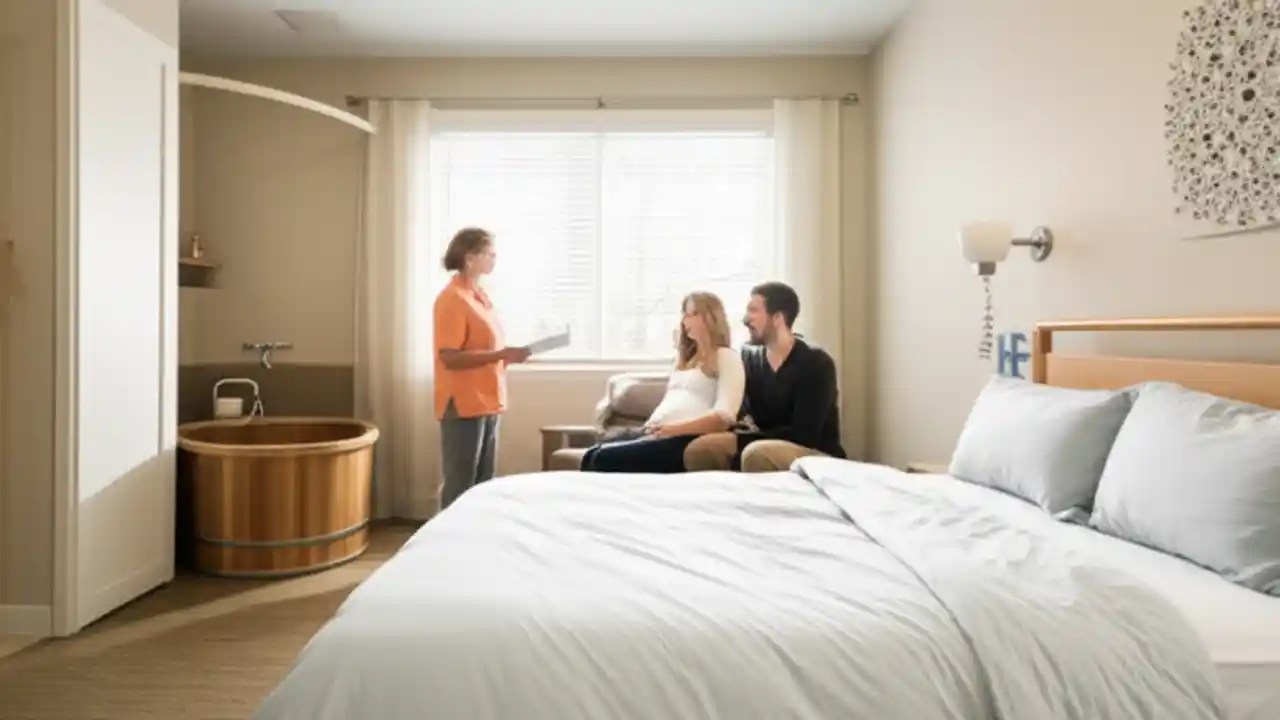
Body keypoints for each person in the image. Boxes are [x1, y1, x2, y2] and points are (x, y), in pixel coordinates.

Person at [683, 281, 845, 473]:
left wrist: (742, 440)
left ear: (777, 318)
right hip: (761, 442)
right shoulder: (749, 358)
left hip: (813, 451)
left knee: (757, 454)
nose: (745, 319)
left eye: (753, 311)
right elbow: (740, 411)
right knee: (700, 449)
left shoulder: (815, 362)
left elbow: (803, 434)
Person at [580, 292, 745, 473]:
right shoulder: (684, 361)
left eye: (692, 314)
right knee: (591, 454)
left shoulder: (727, 357)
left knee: (600, 458)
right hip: (653, 433)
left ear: (712, 318)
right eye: (684, 315)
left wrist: (671, 430)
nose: (685, 321)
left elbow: (724, 418)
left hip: (683, 438)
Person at [434, 227, 531, 509]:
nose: (494, 259)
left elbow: (484, 349)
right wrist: (500, 354)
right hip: (464, 402)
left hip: (487, 400)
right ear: (469, 257)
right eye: (489, 254)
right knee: (461, 483)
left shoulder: (478, 296)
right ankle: (448, 543)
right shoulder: (452, 299)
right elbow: (449, 356)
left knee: (482, 484)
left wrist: (507, 355)